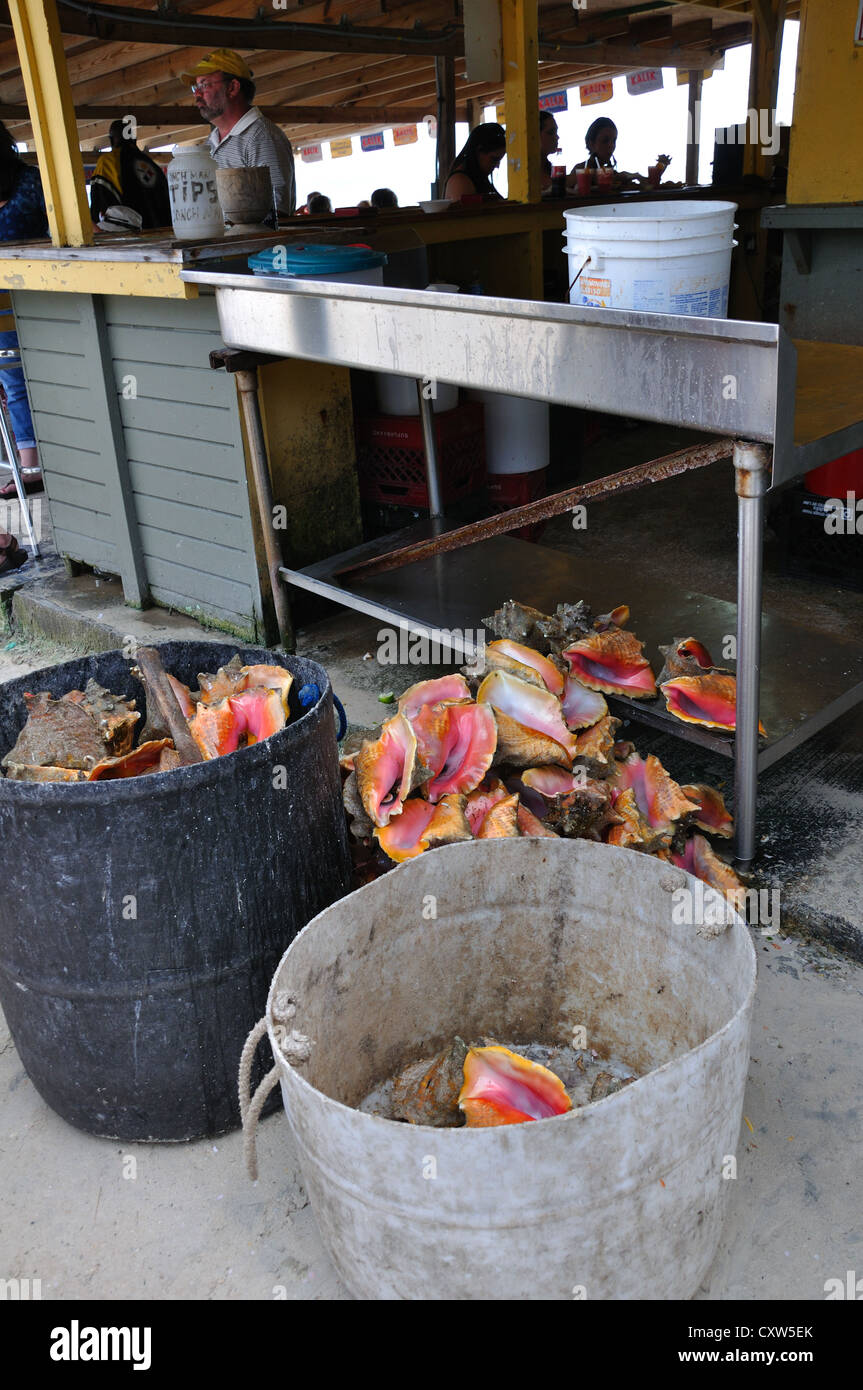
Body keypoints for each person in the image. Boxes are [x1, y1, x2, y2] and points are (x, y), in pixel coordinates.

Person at [182, 48, 296, 215]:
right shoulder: (212, 141)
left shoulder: (261, 137)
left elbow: (276, 212)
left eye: (204, 85)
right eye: (195, 87)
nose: (197, 94)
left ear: (233, 88)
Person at [0, 122, 48, 502]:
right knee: (20, 377)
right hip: (44, 301)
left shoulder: (29, 183)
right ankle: (31, 466)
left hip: (19, 311)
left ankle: (30, 467)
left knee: (14, 377)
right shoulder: (31, 182)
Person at [89, 119, 171, 229]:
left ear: (112, 140)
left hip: (130, 237)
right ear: (134, 139)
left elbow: (100, 203)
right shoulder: (152, 165)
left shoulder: (108, 162)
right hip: (161, 235)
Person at [444, 123, 506, 200]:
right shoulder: (460, 181)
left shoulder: (475, 178)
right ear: (478, 151)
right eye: (494, 159)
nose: (497, 165)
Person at [539, 110, 560, 192]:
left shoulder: (547, 166)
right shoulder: (525, 169)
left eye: (556, 132)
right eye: (551, 132)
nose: (557, 137)